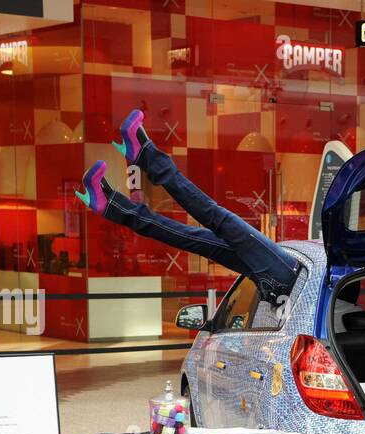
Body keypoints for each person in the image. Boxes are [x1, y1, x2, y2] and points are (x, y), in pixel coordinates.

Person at [75, 109, 301, 304]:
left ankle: (144, 154)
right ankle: (110, 204)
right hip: (283, 286)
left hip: (292, 277)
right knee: (193, 237)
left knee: (215, 216)